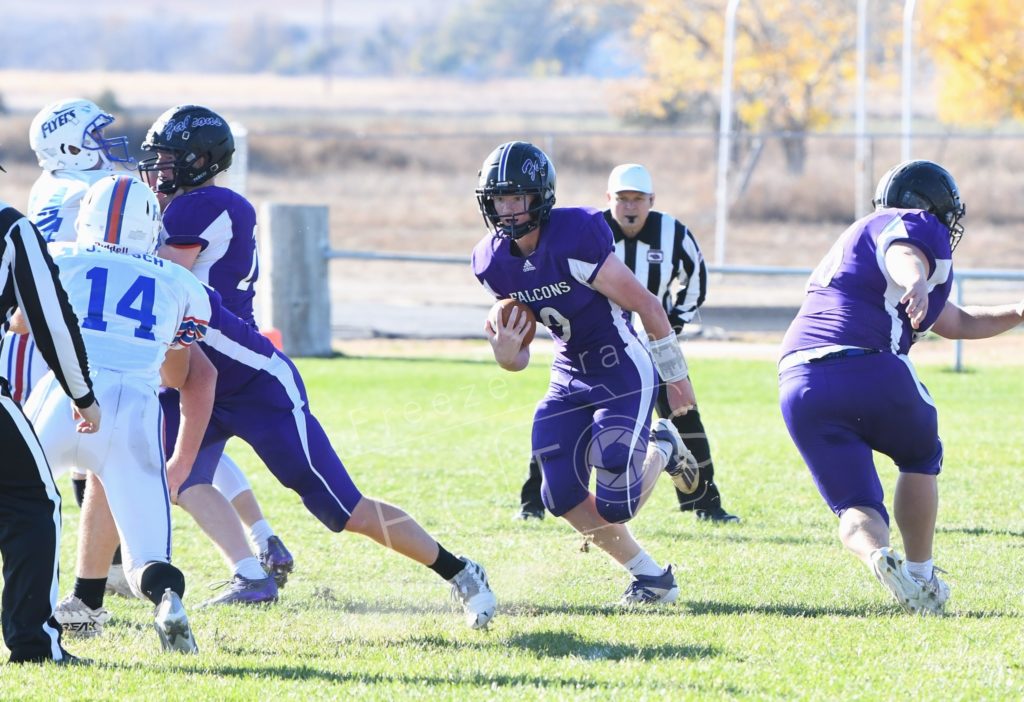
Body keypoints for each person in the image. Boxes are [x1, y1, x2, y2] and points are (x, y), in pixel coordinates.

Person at [778, 159, 1024, 615]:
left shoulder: (857, 239)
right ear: (932, 206)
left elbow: (956, 322)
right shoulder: (912, 225)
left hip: (798, 380)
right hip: (869, 364)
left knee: (855, 507)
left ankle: (876, 555)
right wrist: (915, 280)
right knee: (919, 456)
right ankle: (921, 575)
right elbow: (903, 252)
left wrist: (1018, 310)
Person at [472, 141, 700, 604]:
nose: (507, 209)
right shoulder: (493, 261)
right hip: (568, 371)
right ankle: (651, 577)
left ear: (540, 197)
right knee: (558, 493)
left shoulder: (575, 235)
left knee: (618, 499)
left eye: (516, 197)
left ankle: (662, 445)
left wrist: (677, 380)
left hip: (621, 367)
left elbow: (648, 305)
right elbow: (518, 359)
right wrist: (504, 353)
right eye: (498, 199)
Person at [24, 175, 215, 652]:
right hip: (135, 411)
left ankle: (51, 606)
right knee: (147, 553)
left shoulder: (59, 256)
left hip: (66, 397)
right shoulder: (180, 283)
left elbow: (22, 323)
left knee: (18, 501)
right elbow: (176, 374)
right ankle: (166, 599)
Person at [515, 163, 739, 523]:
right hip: (600, 350)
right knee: (563, 422)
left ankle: (705, 505)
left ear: (652, 200)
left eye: (638, 199)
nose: (630, 206)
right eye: (623, 199)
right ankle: (533, 502)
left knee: (684, 416)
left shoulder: (673, 233)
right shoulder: (587, 231)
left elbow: (695, 279)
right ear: (609, 198)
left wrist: (671, 323)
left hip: (652, 346)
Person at [137, 104, 293, 596]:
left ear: (201, 160)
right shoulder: (210, 203)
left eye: (169, 158)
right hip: (227, 342)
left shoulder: (195, 206)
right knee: (188, 462)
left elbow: (163, 277)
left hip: (200, 347)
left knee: (174, 466)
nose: (159, 168)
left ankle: (113, 573)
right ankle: (258, 551)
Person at [0, 98, 138, 597]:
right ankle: (96, 573)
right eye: (94, 136)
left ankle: (109, 564)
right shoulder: (87, 190)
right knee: (41, 468)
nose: (104, 144)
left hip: (36, 330)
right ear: (70, 146)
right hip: (52, 331)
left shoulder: (49, 184)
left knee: (72, 452)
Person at [0, 149, 100, 664]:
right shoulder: (10, 228)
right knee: (32, 504)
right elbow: (51, 319)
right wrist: (82, 395)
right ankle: (34, 642)